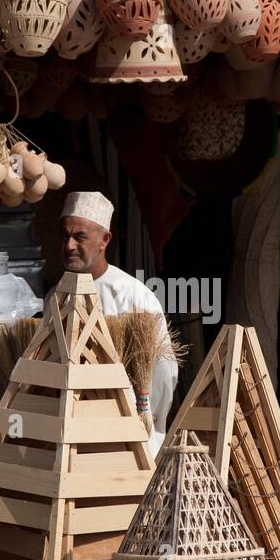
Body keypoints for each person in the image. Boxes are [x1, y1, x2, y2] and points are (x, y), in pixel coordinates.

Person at [55, 191, 178, 456]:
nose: (69, 246)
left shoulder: (133, 295)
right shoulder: (55, 298)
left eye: (80, 237)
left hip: (127, 434)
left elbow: (162, 371)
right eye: (65, 236)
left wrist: (146, 418)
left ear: (104, 240)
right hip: (70, 436)